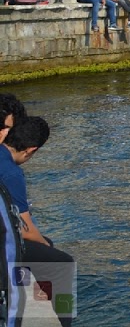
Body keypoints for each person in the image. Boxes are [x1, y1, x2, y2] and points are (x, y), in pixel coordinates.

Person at [0, 117, 75, 326]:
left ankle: (24, 291)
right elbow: (24, 230)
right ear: (31, 150)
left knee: (43, 248)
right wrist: (44, 244)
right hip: (3, 243)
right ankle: (64, 318)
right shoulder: (11, 173)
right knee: (63, 263)